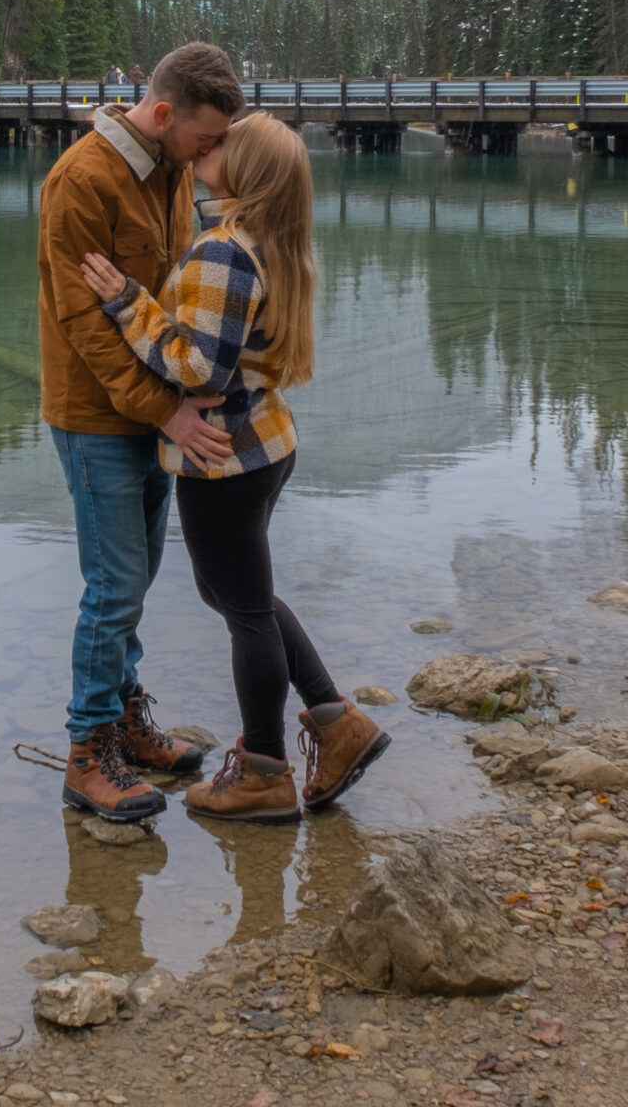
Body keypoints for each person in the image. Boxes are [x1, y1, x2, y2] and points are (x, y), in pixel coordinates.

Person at [81, 113, 389, 823]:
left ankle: (264, 773)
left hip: (222, 456)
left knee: (244, 611)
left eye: (225, 145)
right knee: (239, 596)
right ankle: (337, 722)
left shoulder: (224, 251)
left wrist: (128, 304)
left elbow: (197, 365)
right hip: (264, 443)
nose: (207, 147)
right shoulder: (273, 244)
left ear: (249, 170)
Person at [37, 41, 247, 820]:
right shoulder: (81, 181)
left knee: (139, 574)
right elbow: (84, 327)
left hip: (157, 410)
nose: (213, 154)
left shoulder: (169, 170)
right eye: (206, 140)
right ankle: (87, 752)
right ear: (163, 115)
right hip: (97, 417)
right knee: (114, 583)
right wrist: (167, 412)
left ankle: (125, 716)